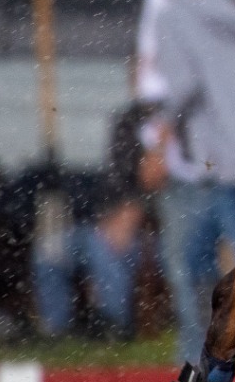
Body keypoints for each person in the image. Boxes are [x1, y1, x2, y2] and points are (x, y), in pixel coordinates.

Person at [127, 0, 235, 366]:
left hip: (213, 161)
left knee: (190, 265)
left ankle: (199, 357)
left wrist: (156, 145)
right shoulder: (228, 5)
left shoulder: (174, 16)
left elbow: (182, 87)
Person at [28, 103, 147, 342]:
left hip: (141, 232)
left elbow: (156, 185)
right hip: (95, 225)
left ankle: (114, 324)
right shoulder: (126, 120)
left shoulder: (159, 121)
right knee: (48, 250)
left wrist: (133, 215)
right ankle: (56, 329)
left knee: (103, 245)